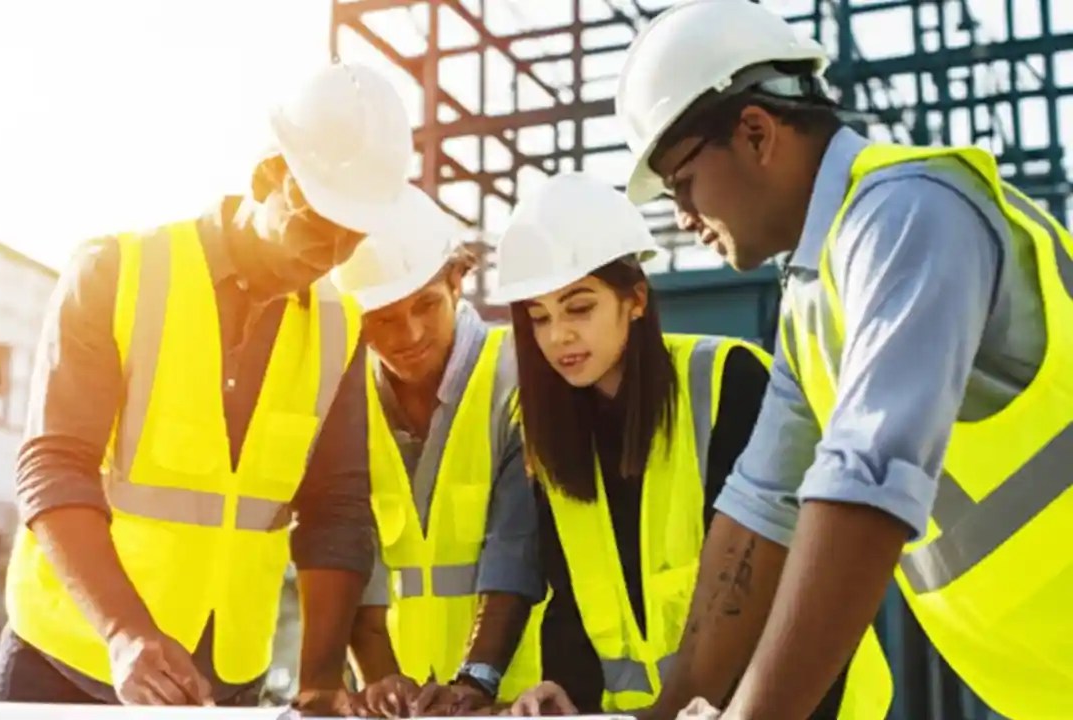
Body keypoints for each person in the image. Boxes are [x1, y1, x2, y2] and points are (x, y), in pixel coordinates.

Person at [613, 2, 1073, 719]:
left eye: (680, 182)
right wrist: (674, 706)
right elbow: (760, 507)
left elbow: (866, 477)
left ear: (757, 133)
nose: (681, 215)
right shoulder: (812, 296)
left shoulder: (910, 213)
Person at [0, 61, 428, 713]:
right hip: (70, 665)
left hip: (226, 681)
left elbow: (335, 508)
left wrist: (320, 681)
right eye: (318, 220)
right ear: (266, 177)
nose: (331, 253)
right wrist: (126, 635)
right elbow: (55, 468)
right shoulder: (115, 272)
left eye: (353, 235)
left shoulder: (338, 325)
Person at [491, 173, 892, 720]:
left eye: (578, 307)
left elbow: (785, 579)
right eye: (538, 317)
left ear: (634, 300)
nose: (557, 335)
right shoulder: (546, 428)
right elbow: (574, 602)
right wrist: (564, 691)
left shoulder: (726, 380)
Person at [330, 198, 544, 717]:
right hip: (408, 702)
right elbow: (355, 561)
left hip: (517, 694)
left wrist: (477, 682)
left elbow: (516, 545)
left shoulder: (521, 375)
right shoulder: (345, 400)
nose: (408, 337)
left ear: (457, 279)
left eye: (425, 305)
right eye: (381, 319)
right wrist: (382, 684)